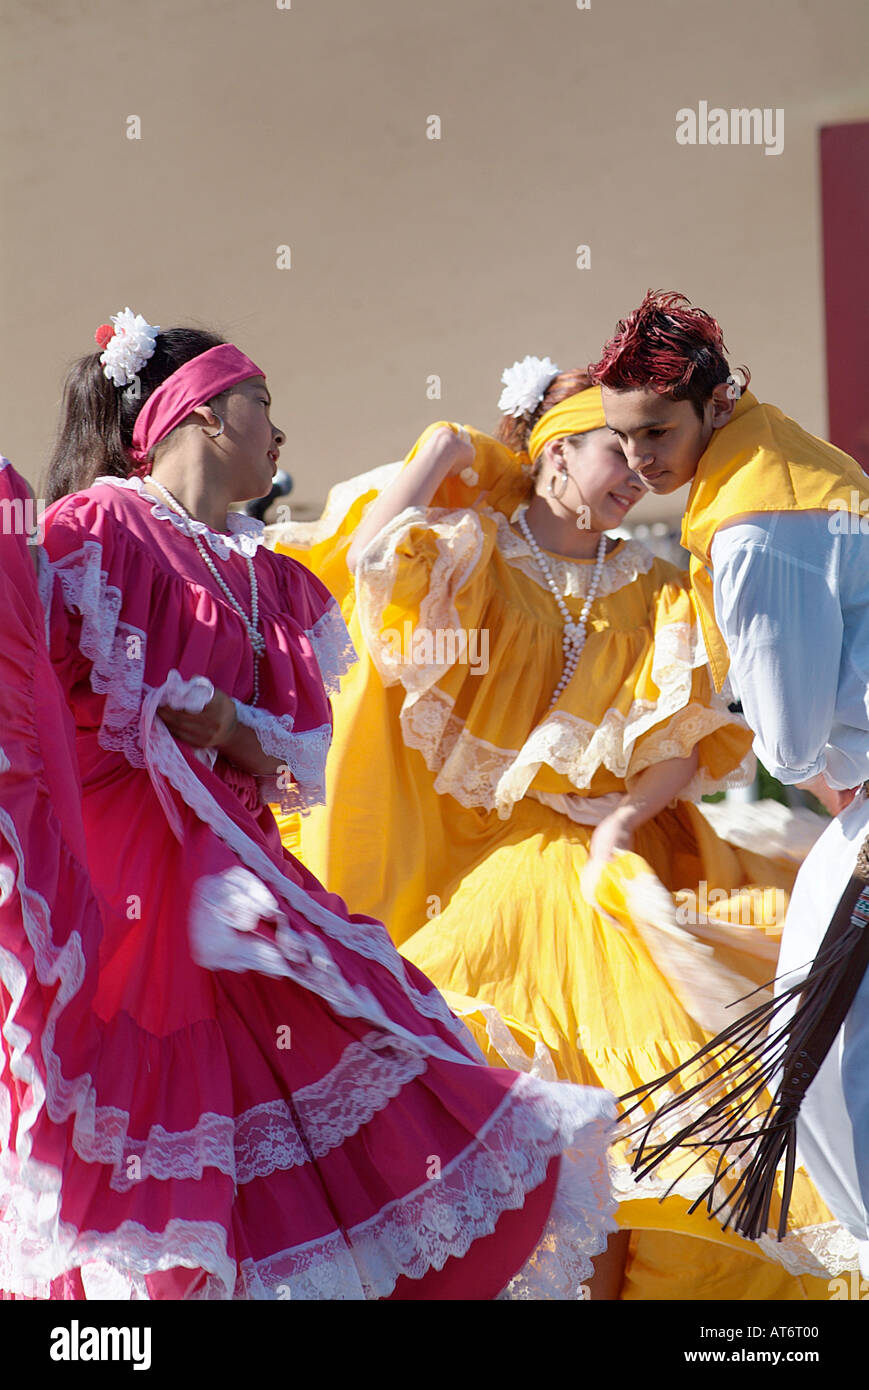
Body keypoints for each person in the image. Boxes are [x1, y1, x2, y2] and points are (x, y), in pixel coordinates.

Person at [0, 311, 620, 1301]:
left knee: (390, 1074)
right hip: (137, 900)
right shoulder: (98, 529)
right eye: (261, 405)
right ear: (198, 415)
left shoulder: (272, 578)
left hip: (247, 890)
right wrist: (158, 725)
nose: (277, 431)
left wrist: (227, 731)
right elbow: (35, 679)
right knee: (170, 1140)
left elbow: (296, 762)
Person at [267, 356, 852, 1298]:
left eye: (643, 457)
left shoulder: (659, 587)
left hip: (605, 863)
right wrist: (449, 451)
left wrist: (625, 815)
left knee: (642, 1127)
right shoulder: (476, 552)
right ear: (554, 452)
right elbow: (373, 562)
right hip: (489, 868)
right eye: (614, 453)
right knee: (510, 1121)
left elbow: (680, 729)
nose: (634, 477)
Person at [589, 289, 869, 1272]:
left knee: (832, 1077)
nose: (638, 462)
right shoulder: (781, 457)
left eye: (655, 432)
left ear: (711, 404)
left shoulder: (749, 525)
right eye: (620, 442)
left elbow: (789, 749)